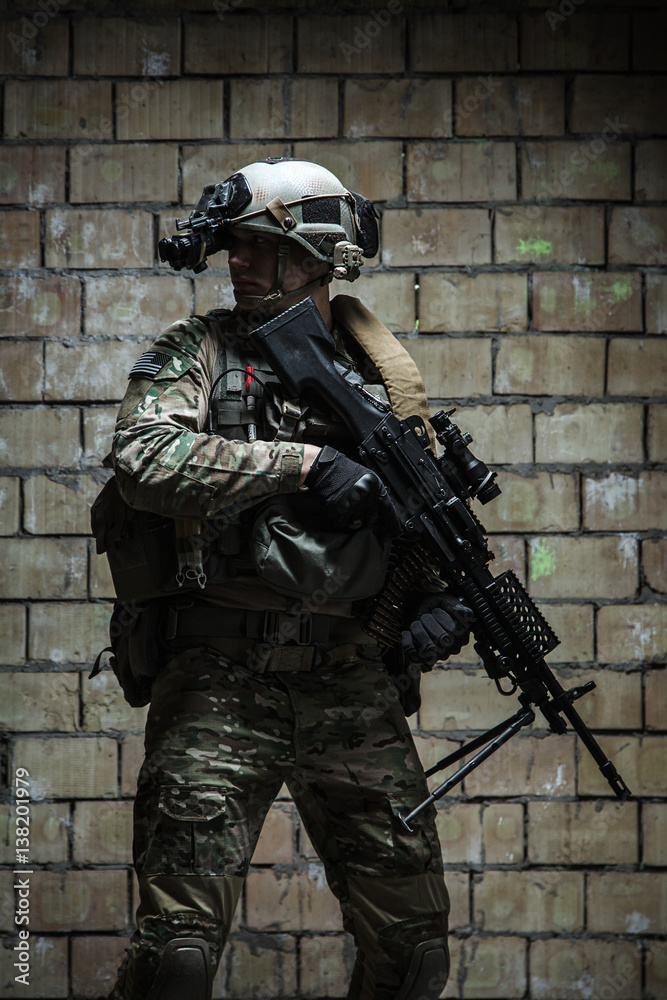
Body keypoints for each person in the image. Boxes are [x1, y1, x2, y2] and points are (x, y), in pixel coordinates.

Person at [104, 158, 471, 1000]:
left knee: (414, 955)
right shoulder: (196, 351)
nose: (236, 260)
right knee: (177, 960)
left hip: (350, 679)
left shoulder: (385, 380)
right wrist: (299, 463)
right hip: (218, 675)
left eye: (258, 245)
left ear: (318, 256)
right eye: (232, 244)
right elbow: (141, 460)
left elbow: (421, 521)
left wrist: (438, 602)